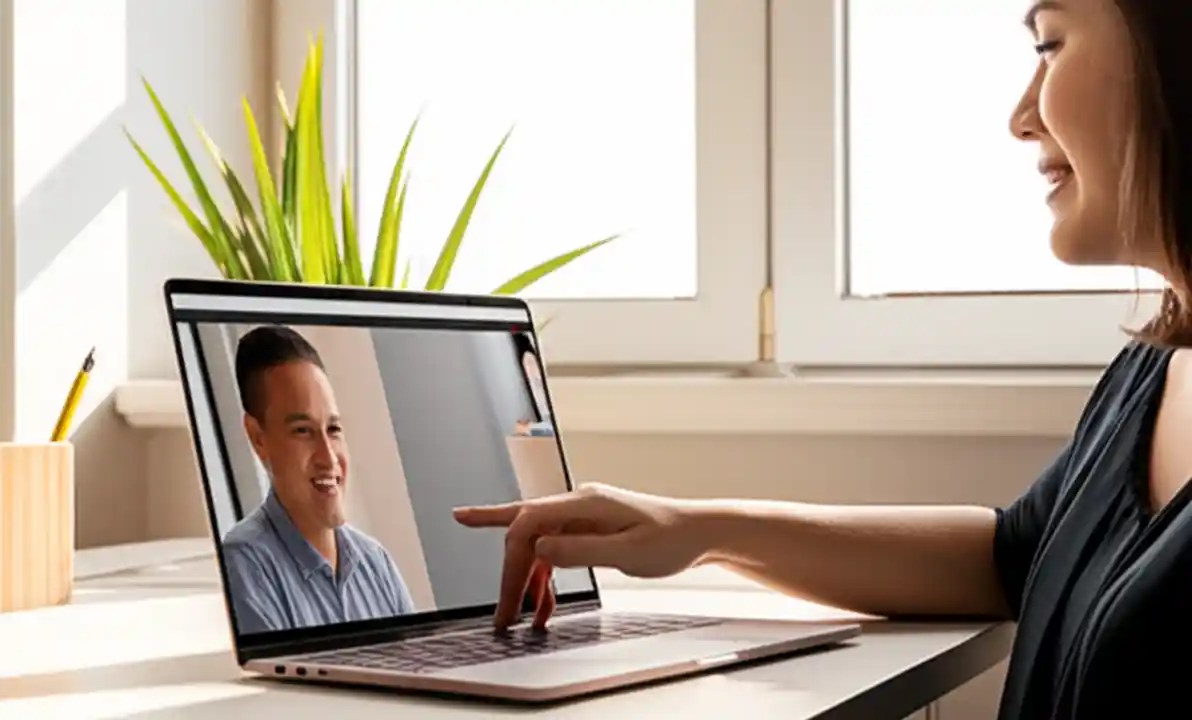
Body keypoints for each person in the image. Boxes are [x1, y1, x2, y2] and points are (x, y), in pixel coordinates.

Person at [454, 1, 1192, 717]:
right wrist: (697, 529)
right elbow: (1014, 556)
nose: (1020, 116)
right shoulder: (1151, 372)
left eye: (1050, 45)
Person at [223, 325, 414, 634]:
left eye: (333, 429)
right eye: (303, 431)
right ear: (258, 438)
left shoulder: (376, 561)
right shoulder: (244, 566)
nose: (328, 457)